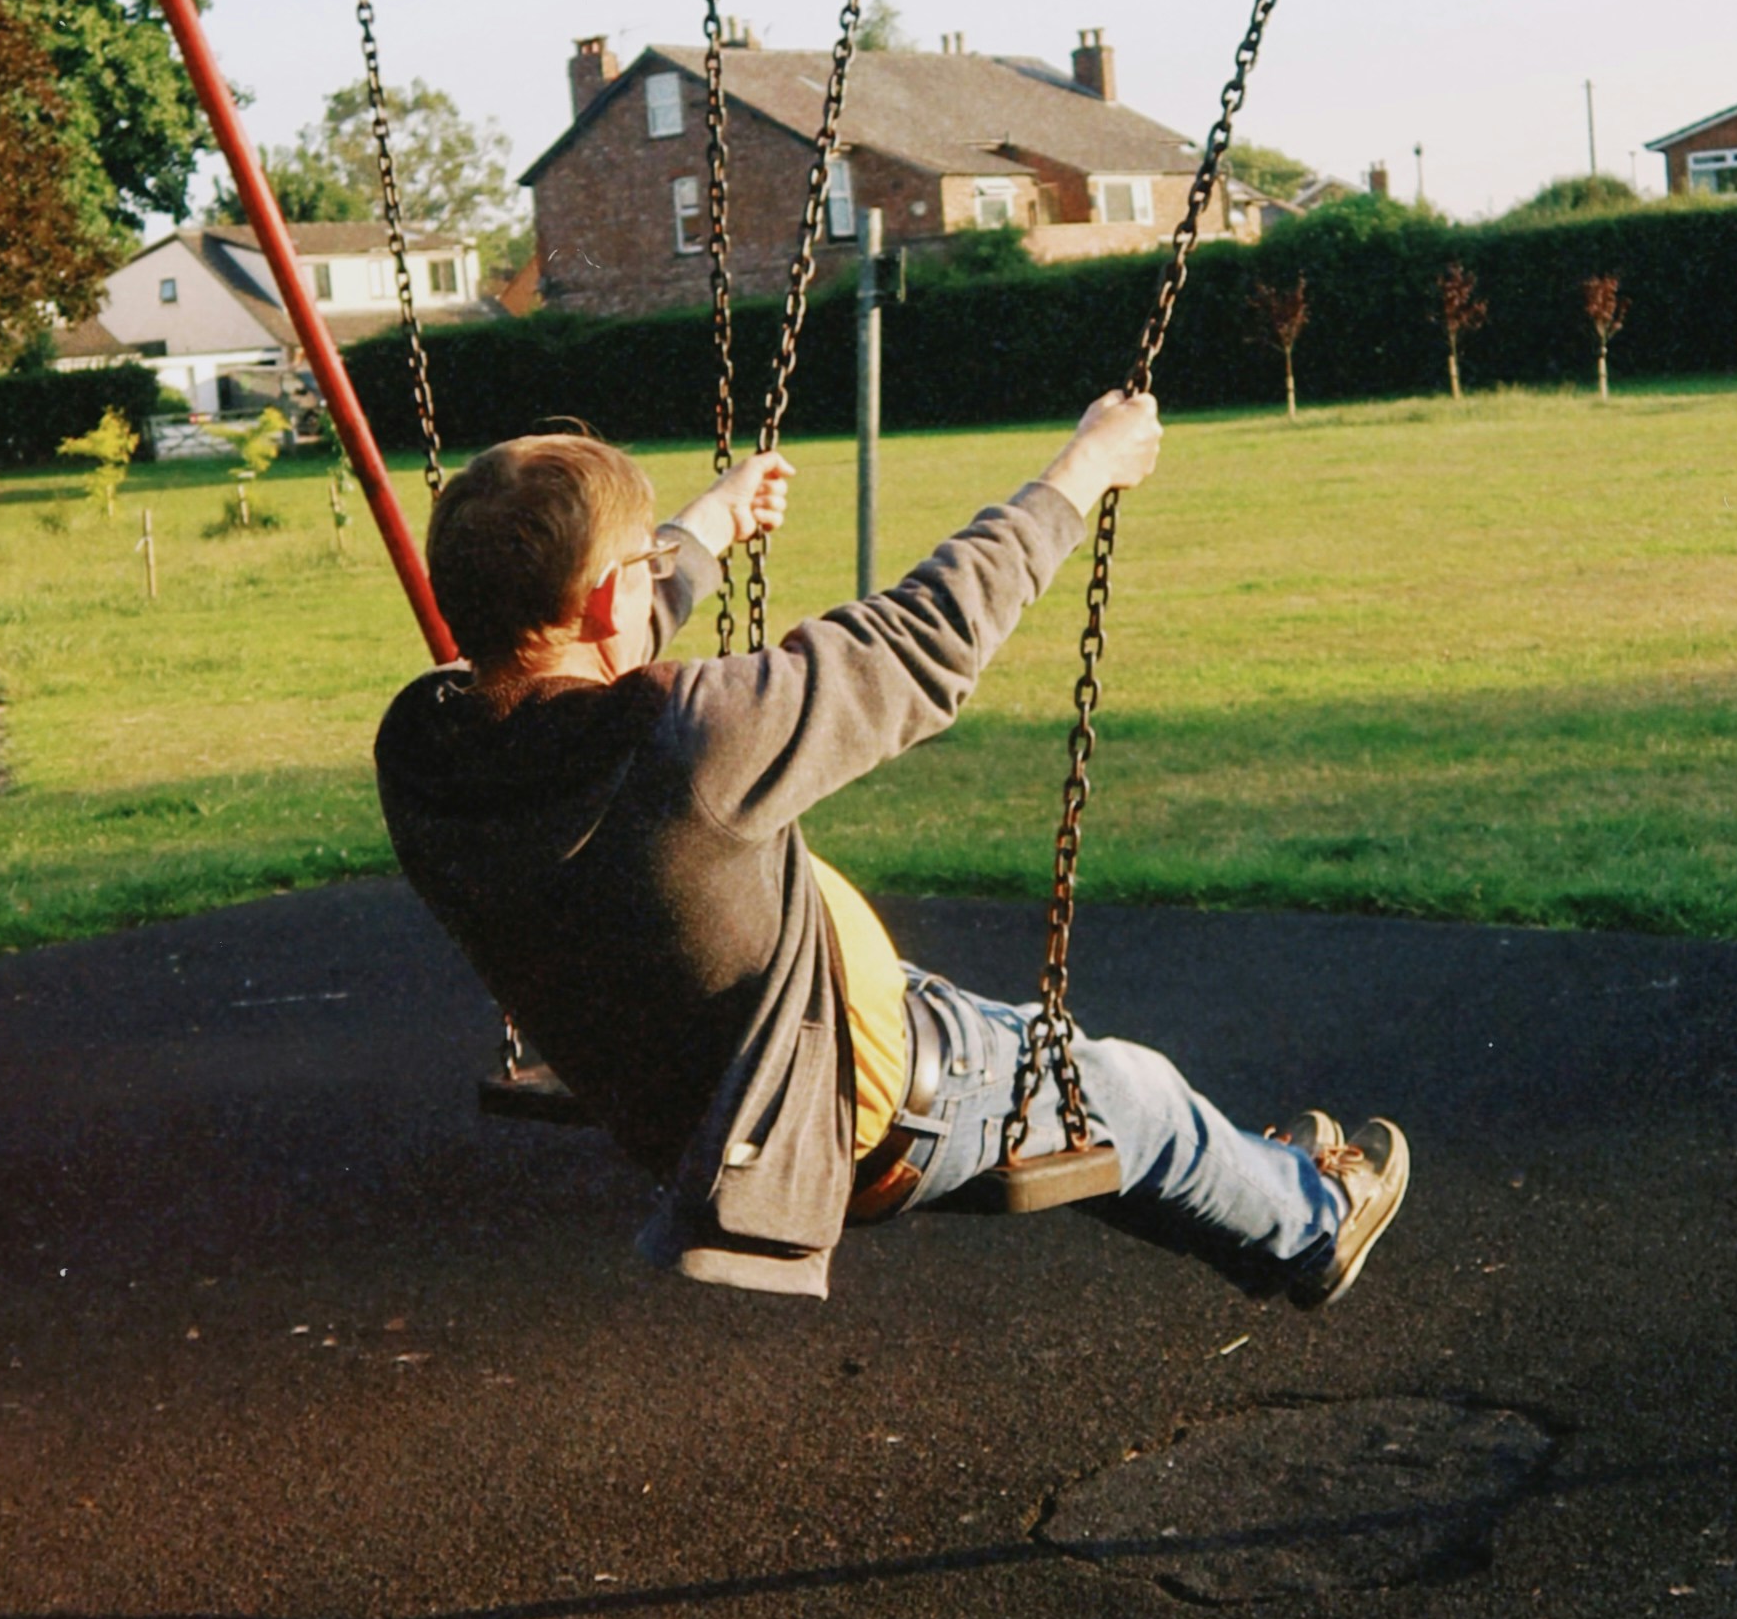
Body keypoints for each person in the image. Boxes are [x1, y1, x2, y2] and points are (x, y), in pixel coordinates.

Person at [373, 394, 1408, 1305]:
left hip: (707, 1073)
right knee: (1132, 1097)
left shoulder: (422, 748)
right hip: (862, 1100)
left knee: (1063, 1062)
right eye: (645, 570)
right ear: (606, 599)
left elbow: (574, 647)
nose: (656, 585)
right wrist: (1086, 466)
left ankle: (1257, 1177)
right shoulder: (688, 745)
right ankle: (1312, 1225)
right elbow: (923, 638)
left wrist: (702, 528)